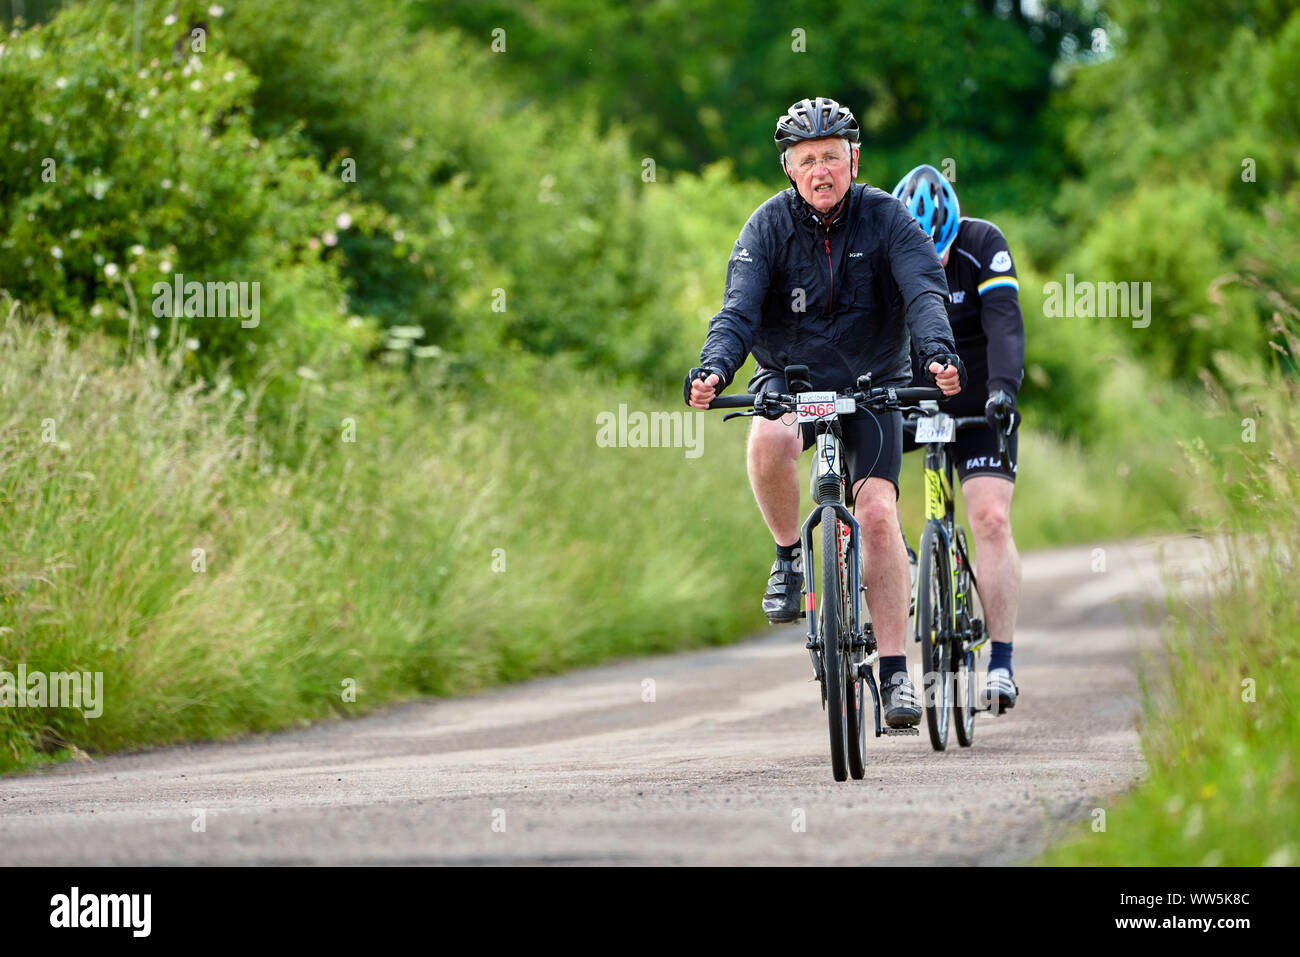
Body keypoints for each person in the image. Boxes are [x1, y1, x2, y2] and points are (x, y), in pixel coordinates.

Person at [684, 98, 965, 729]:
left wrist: (939, 354)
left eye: (832, 157)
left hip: (875, 384)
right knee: (766, 442)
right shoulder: (765, 228)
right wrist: (713, 369)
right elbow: (738, 312)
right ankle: (788, 558)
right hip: (794, 377)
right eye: (807, 160)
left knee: (877, 511)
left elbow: (924, 291)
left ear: (853, 159)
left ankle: (894, 673)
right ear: (788, 168)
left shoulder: (889, 220)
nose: (821, 171)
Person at [892, 164, 1024, 714]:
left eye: (941, 250)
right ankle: (900, 560)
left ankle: (1001, 661)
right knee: (865, 487)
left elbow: (1004, 325)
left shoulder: (982, 243)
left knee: (990, 516)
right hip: (911, 390)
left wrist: (1002, 391)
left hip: (976, 396)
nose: (937, 263)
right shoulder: (884, 244)